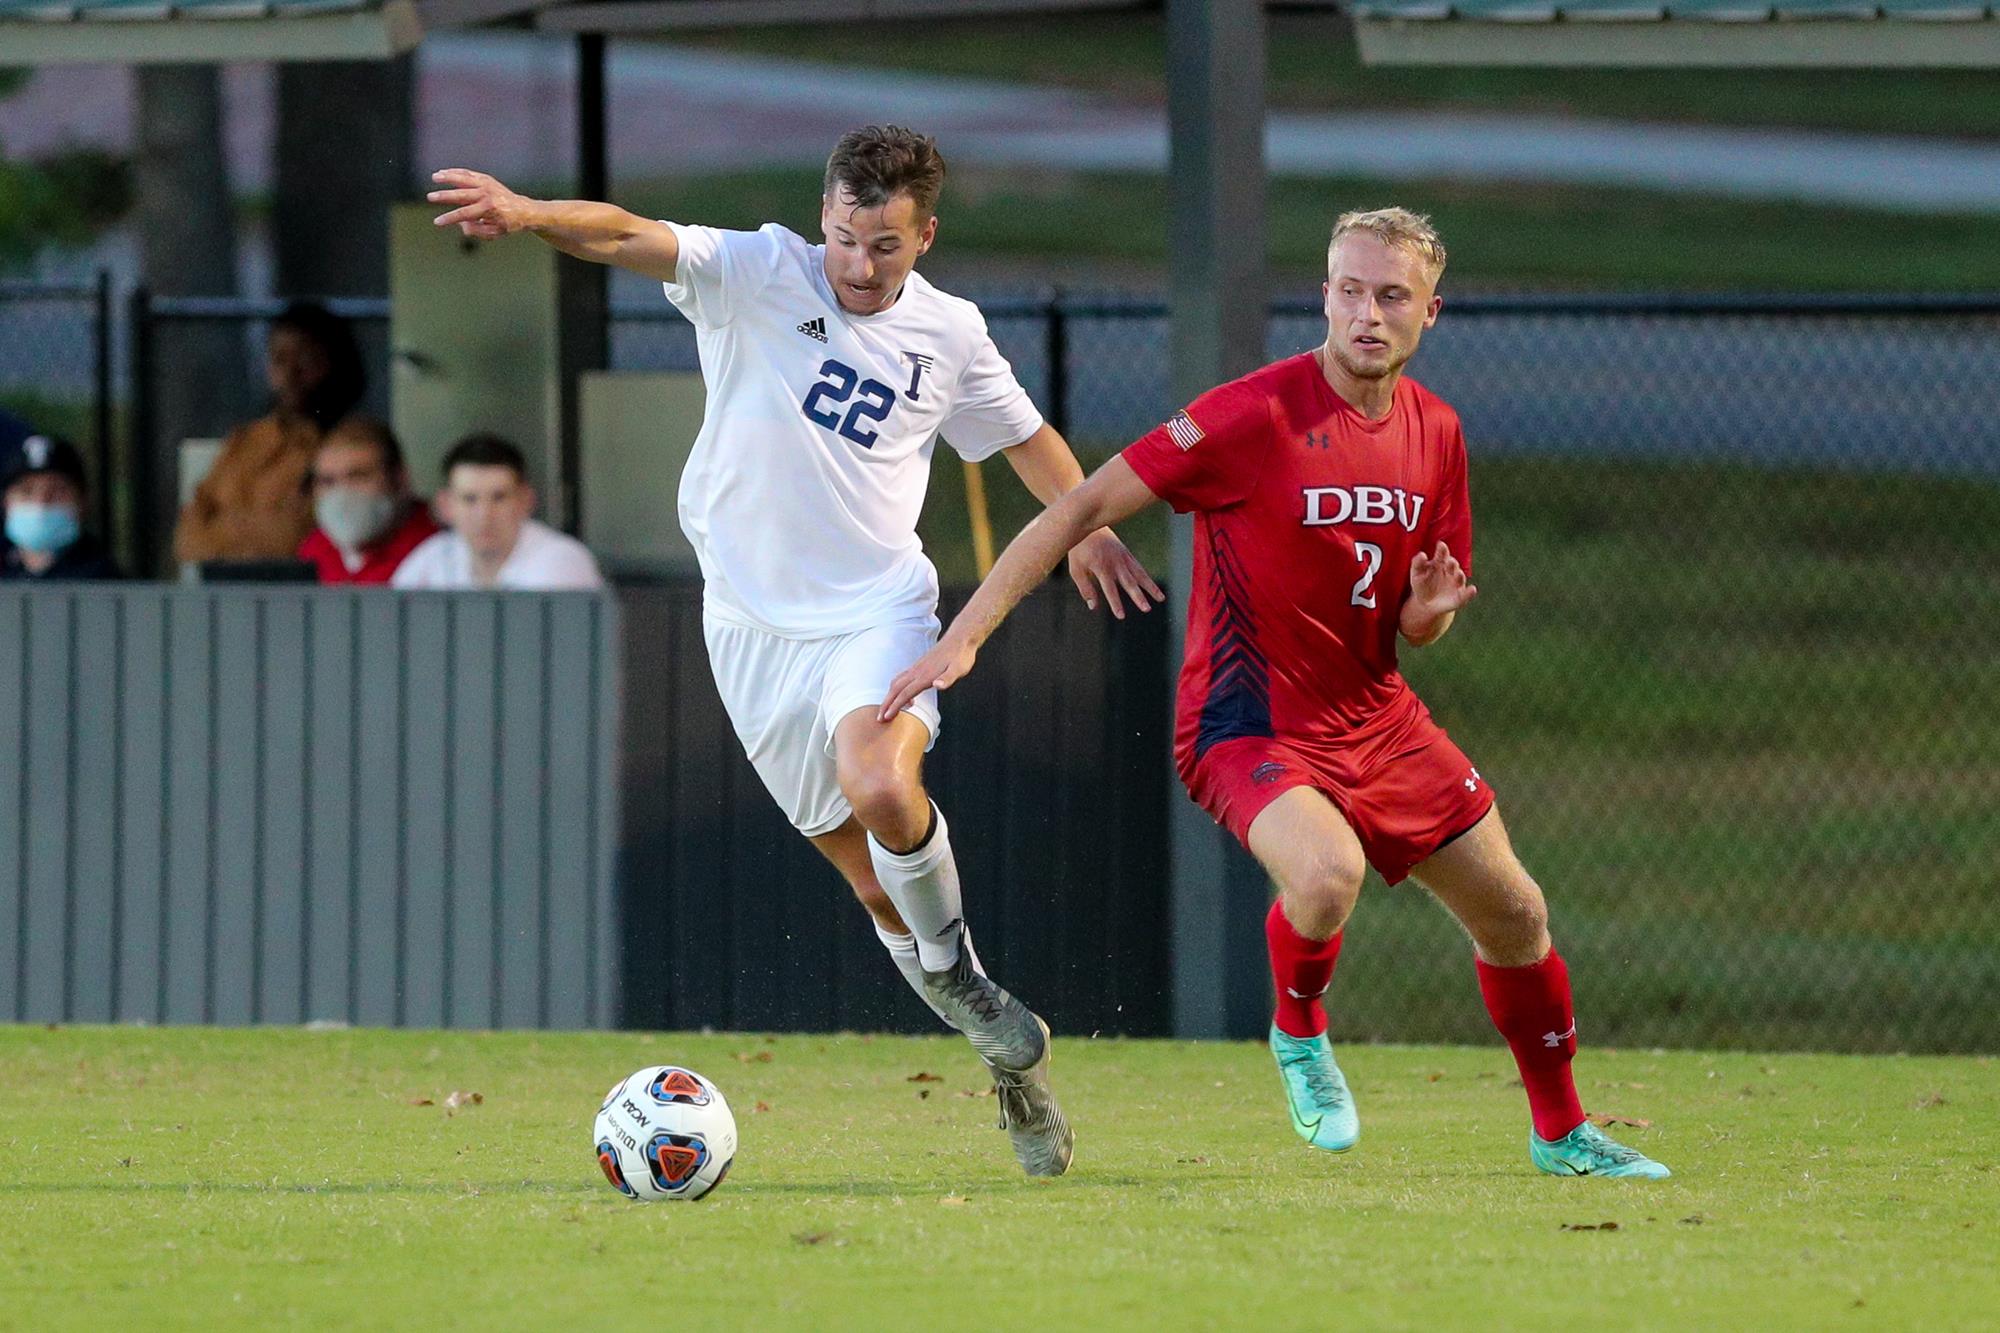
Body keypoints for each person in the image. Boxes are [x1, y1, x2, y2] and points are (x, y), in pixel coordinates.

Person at [429, 125, 1159, 1177]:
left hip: (875, 611)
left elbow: (1023, 438)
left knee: (877, 777)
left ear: (925, 235)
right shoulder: (758, 271)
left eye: (888, 248)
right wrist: (533, 214)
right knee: (873, 888)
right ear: (824, 217)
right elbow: (628, 234)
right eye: (847, 242)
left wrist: (1085, 525)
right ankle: (1004, 1056)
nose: (861, 268)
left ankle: (963, 984)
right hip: (748, 632)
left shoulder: (949, 333)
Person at [884, 208, 1670, 1180]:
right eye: (1347, 289)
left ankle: (1560, 1134)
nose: (1365, 313)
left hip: (1376, 718)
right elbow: (1080, 503)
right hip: (1245, 723)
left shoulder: (1436, 433)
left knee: (1514, 913)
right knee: (1325, 873)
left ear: (1430, 310)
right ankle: (1298, 1033)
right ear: (1325, 294)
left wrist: (1428, 615)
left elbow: (1417, 617)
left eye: (1390, 296)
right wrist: (964, 638)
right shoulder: (1251, 413)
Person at [175, 301, 366, 565]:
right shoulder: (246, 440)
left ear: (335, 363)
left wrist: (224, 526)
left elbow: (296, 539)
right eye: (279, 359)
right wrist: (251, 530)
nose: (290, 374)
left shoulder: (350, 446)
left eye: (306, 359)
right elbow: (187, 537)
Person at [392, 433, 602, 591]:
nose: (484, 515)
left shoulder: (560, 562)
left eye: (499, 498)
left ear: (525, 501)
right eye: (469, 499)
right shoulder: (429, 560)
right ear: (445, 506)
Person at [298, 416, 440, 585]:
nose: (342, 494)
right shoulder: (316, 549)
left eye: (358, 476)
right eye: (327, 481)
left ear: (399, 479)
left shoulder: (438, 549)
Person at [1, 433, 121, 581]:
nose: (41, 502)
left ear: (83, 502)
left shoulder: (103, 580)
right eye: (27, 491)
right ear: (6, 502)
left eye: (58, 491)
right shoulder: (5, 567)